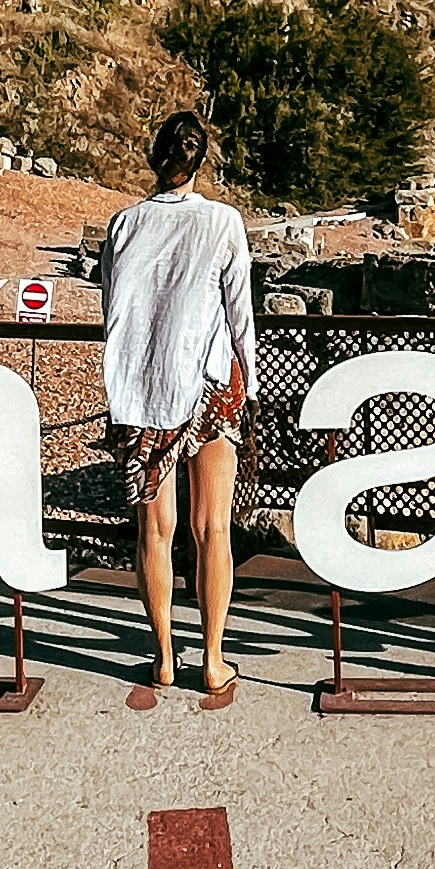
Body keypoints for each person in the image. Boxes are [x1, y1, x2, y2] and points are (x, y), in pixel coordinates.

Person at [99, 109, 256, 705]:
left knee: (155, 529)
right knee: (212, 527)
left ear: (154, 155)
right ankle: (213, 660)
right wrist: (253, 383)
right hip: (211, 385)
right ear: (201, 161)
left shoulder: (124, 224)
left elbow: (113, 310)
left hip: (141, 389)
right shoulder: (223, 223)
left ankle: (164, 656)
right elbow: (240, 313)